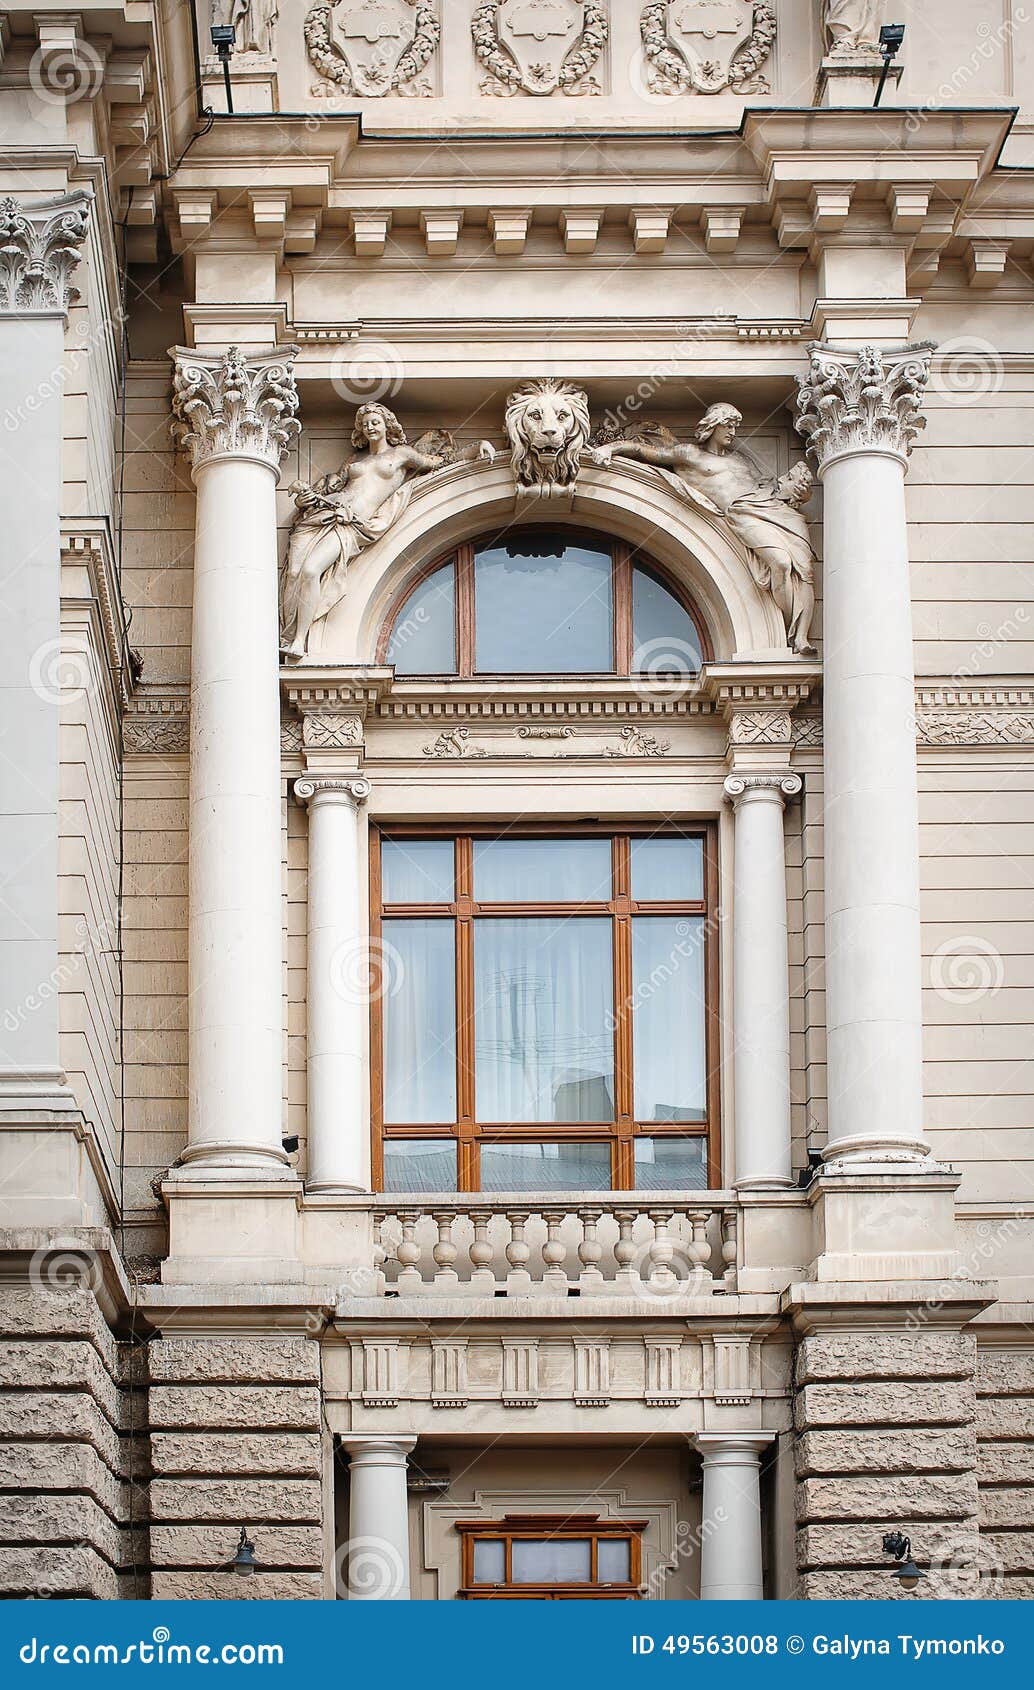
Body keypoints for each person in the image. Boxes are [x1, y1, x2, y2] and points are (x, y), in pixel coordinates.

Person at [591, 402, 817, 656]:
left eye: (734, 426)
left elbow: (767, 486)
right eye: (727, 426)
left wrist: (797, 491)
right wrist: (610, 448)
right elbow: (644, 451)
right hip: (741, 513)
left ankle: (799, 637)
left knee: (803, 570)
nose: (732, 432)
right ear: (712, 426)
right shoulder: (690, 454)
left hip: (768, 507)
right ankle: (789, 624)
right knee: (782, 563)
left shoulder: (739, 458)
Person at [281, 403, 494, 659]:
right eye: (366, 423)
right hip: (327, 513)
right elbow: (330, 488)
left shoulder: (402, 454)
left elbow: (440, 463)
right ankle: (292, 634)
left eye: (375, 422)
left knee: (311, 569)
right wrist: (306, 496)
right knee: (294, 572)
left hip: (351, 524)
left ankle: (299, 640)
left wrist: (474, 449)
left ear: (386, 425)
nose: (370, 427)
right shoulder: (355, 460)